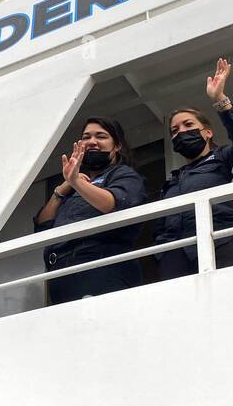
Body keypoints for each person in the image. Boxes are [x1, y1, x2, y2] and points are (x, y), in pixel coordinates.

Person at [154, 57, 233, 279]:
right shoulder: (172, 181)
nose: (180, 132)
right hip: (177, 256)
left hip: (225, 242)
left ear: (207, 132)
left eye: (188, 125)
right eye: (174, 130)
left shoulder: (227, 158)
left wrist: (220, 100)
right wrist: (162, 252)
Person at [33, 117, 148, 305]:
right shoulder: (72, 186)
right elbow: (43, 227)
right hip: (60, 275)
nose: (92, 142)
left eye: (101, 136)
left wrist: (76, 182)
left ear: (117, 146)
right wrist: (61, 191)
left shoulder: (124, 175)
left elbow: (113, 204)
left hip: (101, 269)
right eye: (86, 137)